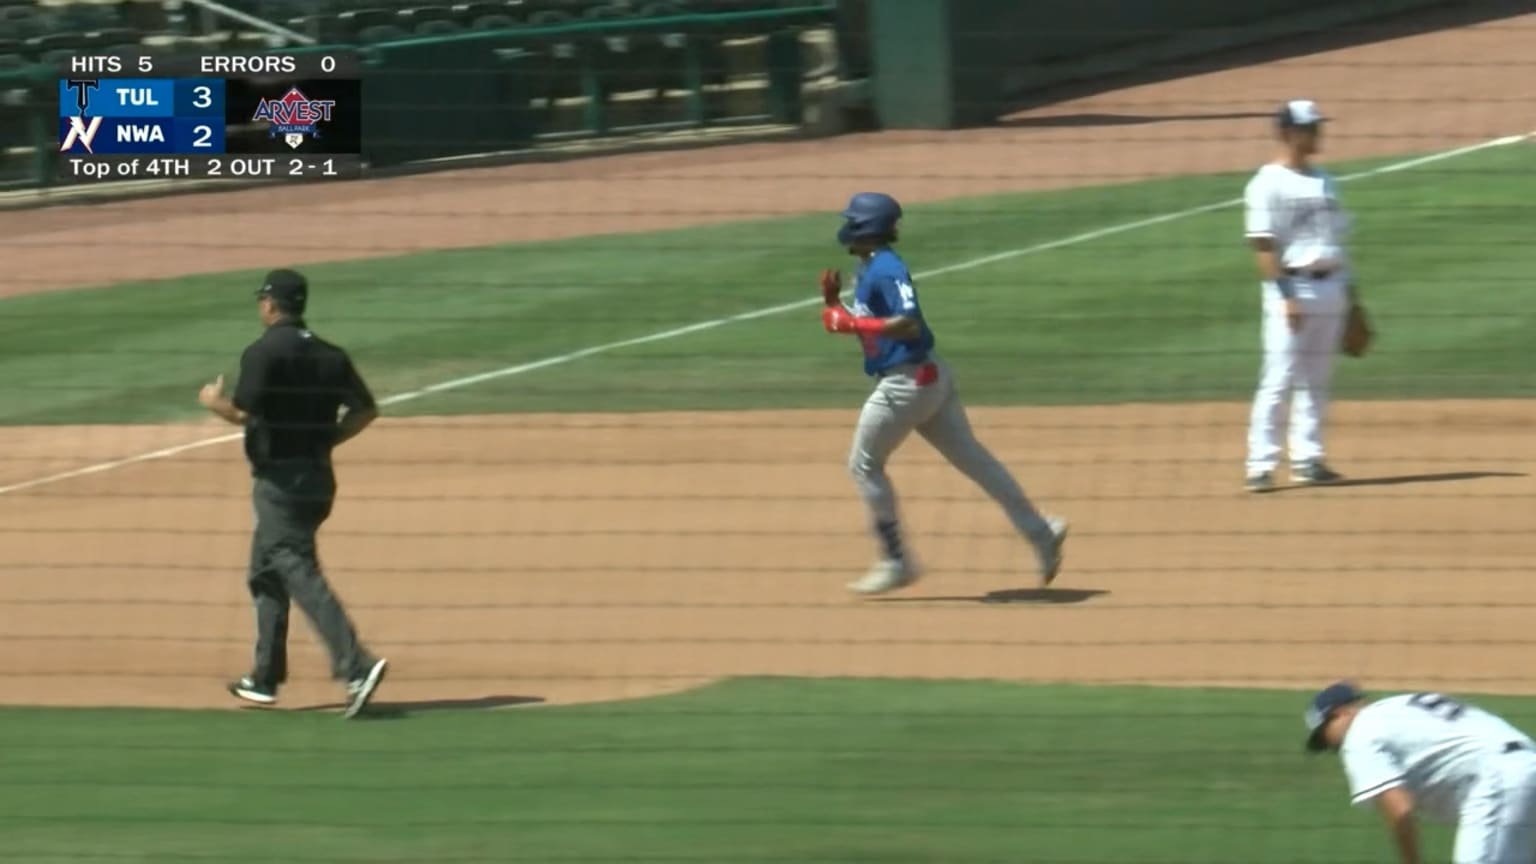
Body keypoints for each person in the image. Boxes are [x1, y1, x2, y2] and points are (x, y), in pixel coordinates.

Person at [818, 192, 1068, 595]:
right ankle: (1041, 532)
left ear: (867, 226)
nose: (844, 225)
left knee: (863, 466)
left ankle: (896, 560)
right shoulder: (868, 266)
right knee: (975, 460)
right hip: (929, 378)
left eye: (852, 219)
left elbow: (909, 324)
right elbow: (873, 320)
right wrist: (834, 305)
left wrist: (849, 325)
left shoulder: (887, 268)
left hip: (907, 383)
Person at [197, 269, 388, 718]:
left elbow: (242, 413)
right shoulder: (330, 355)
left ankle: (356, 665)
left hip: (280, 484)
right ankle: (264, 678)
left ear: (270, 305)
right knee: (266, 572)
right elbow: (366, 410)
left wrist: (212, 402)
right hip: (318, 479)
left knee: (296, 568)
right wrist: (327, 440)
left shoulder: (264, 352)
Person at [1242, 99, 1363, 492]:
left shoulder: (1325, 180)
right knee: (1279, 378)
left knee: (1317, 379)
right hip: (1294, 286)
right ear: (1287, 133)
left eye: (1317, 127)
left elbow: (1337, 243)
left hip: (1331, 286)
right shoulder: (1266, 182)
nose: (1317, 134)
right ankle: (1260, 464)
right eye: (1310, 128)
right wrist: (1286, 295)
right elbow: (1263, 245)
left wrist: (1354, 302)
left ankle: (1308, 458)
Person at [1305, 681, 1536, 864]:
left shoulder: (1359, 734)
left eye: (1325, 735)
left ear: (1340, 713)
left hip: (1499, 780)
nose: (1330, 747)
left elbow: (1400, 809)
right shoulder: (1402, 705)